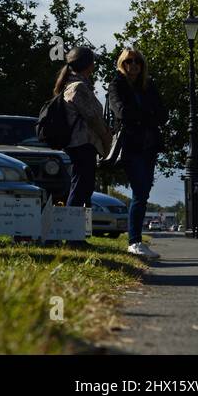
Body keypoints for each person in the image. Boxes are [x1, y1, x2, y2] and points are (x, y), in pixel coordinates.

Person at [106, 47, 166, 259]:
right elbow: (121, 112)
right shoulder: (116, 86)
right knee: (140, 191)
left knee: (143, 192)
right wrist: (146, 115)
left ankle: (137, 240)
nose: (133, 65)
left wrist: (142, 116)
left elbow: (162, 114)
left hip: (149, 145)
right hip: (130, 145)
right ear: (122, 64)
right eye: (129, 61)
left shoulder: (148, 86)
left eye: (137, 62)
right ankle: (134, 241)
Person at [54, 46, 111, 210]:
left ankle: (76, 233)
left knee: (83, 188)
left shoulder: (71, 85)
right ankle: (72, 232)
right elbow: (92, 117)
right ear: (90, 65)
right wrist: (106, 138)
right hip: (82, 144)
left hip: (79, 145)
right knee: (80, 189)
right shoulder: (78, 87)